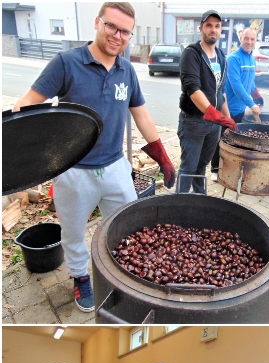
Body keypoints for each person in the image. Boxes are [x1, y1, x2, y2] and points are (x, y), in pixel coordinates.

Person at [10, 1, 175, 312]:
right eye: (111, 26)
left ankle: (120, 272)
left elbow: (141, 115)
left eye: (125, 31)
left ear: (130, 36)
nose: (117, 35)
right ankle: (81, 277)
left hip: (115, 168)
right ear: (98, 23)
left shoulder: (127, 70)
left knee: (128, 226)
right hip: (74, 172)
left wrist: (162, 157)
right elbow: (29, 104)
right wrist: (20, 152)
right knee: (72, 232)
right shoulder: (66, 63)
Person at [178, 9, 236, 193]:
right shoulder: (192, 54)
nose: (213, 29)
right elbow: (193, 89)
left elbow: (222, 92)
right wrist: (215, 115)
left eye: (217, 26)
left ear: (221, 30)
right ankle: (176, 209)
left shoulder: (221, 56)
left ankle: (198, 203)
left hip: (214, 125)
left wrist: (228, 120)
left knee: (202, 166)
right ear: (201, 28)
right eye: (209, 25)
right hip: (194, 121)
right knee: (188, 168)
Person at [224, 26, 262, 124]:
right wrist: (251, 104)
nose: (249, 42)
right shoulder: (233, 58)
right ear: (240, 38)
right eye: (246, 38)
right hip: (228, 110)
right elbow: (236, 85)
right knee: (226, 138)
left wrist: (257, 97)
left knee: (237, 138)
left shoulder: (252, 60)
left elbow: (250, 81)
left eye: (252, 39)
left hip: (240, 109)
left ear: (255, 41)